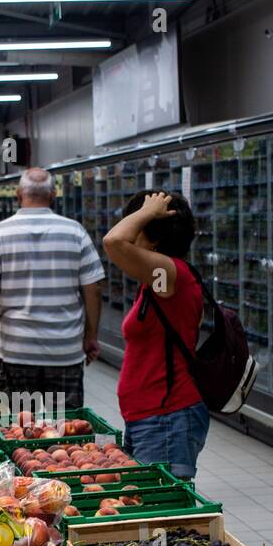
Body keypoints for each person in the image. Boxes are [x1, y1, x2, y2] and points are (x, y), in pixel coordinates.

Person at [0, 168, 103, 412]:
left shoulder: (0, 233)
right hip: (65, 352)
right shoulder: (75, 232)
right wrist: (90, 336)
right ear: (53, 196)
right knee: (67, 433)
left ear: (19, 195)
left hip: (17, 353)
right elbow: (93, 289)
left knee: (21, 432)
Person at [103, 190, 209, 480]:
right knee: (148, 510)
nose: (131, 233)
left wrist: (147, 212)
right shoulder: (159, 280)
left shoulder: (171, 274)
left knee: (157, 513)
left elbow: (113, 242)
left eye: (136, 226)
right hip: (152, 417)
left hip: (167, 417)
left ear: (154, 236)